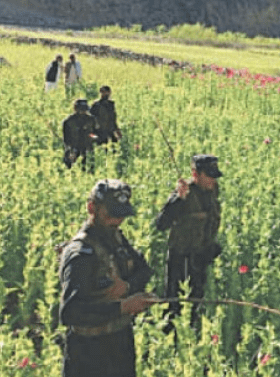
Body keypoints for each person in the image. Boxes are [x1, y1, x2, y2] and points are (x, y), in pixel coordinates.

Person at [59, 179, 155, 377]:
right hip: (88, 353)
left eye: (121, 215)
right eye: (111, 214)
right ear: (91, 208)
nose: (117, 221)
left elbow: (144, 270)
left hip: (120, 344)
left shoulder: (116, 238)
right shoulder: (80, 255)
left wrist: (128, 287)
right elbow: (71, 312)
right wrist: (123, 307)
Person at [154, 155, 223, 326]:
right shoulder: (183, 193)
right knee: (175, 305)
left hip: (201, 256)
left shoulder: (213, 190)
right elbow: (161, 224)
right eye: (209, 176)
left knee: (196, 303)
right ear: (195, 173)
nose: (212, 180)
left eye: (215, 176)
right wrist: (178, 199)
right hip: (181, 259)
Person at [62, 99, 98, 171]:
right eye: (81, 110)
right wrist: (70, 150)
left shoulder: (91, 120)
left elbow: (95, 133)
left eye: (84, 110)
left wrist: (93, 137)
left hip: (87, 149)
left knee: (89, 169)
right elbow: (66, 138)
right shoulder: (69, 121)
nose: (83, 112)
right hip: (74, 149)